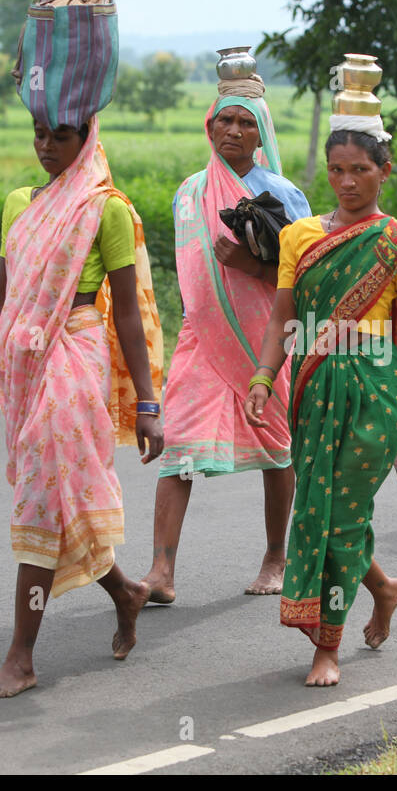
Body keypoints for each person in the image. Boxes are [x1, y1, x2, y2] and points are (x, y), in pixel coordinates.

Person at [0, 114, 165, 698]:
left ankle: (21, 658)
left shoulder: (106, 206)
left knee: (42, 500)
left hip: (74, 355)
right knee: (56, 494)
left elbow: (126, 314)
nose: (46, 146)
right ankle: (125, 590)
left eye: (59, 137)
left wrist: (148, 402)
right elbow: (1, 300)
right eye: (38, 134)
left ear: (85, 138)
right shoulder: (20, 203)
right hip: (23, 364)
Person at [245, 63, 397, 687]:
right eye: (336, 170)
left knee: (339, 513)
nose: (347, 181)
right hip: (311, 384)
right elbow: (285, 315)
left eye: (360, 170)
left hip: (373, 390)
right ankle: (384, 587)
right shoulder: (300, 237)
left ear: (384, 172)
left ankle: (326, 647)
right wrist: (262, 376)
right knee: (322, 507)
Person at [141, 53, 311, 603]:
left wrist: (248, 265)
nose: (234, 131)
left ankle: (275, 557)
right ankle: (161, 572)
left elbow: (301, 280)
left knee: (277, 448)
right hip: (202, 339)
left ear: (261, 133)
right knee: (180, 449)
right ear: (209, 125)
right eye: (225, 120)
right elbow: (191, 271)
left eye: (246, 123)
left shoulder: (283, 195)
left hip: (267, 341)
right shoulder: (189, 191)